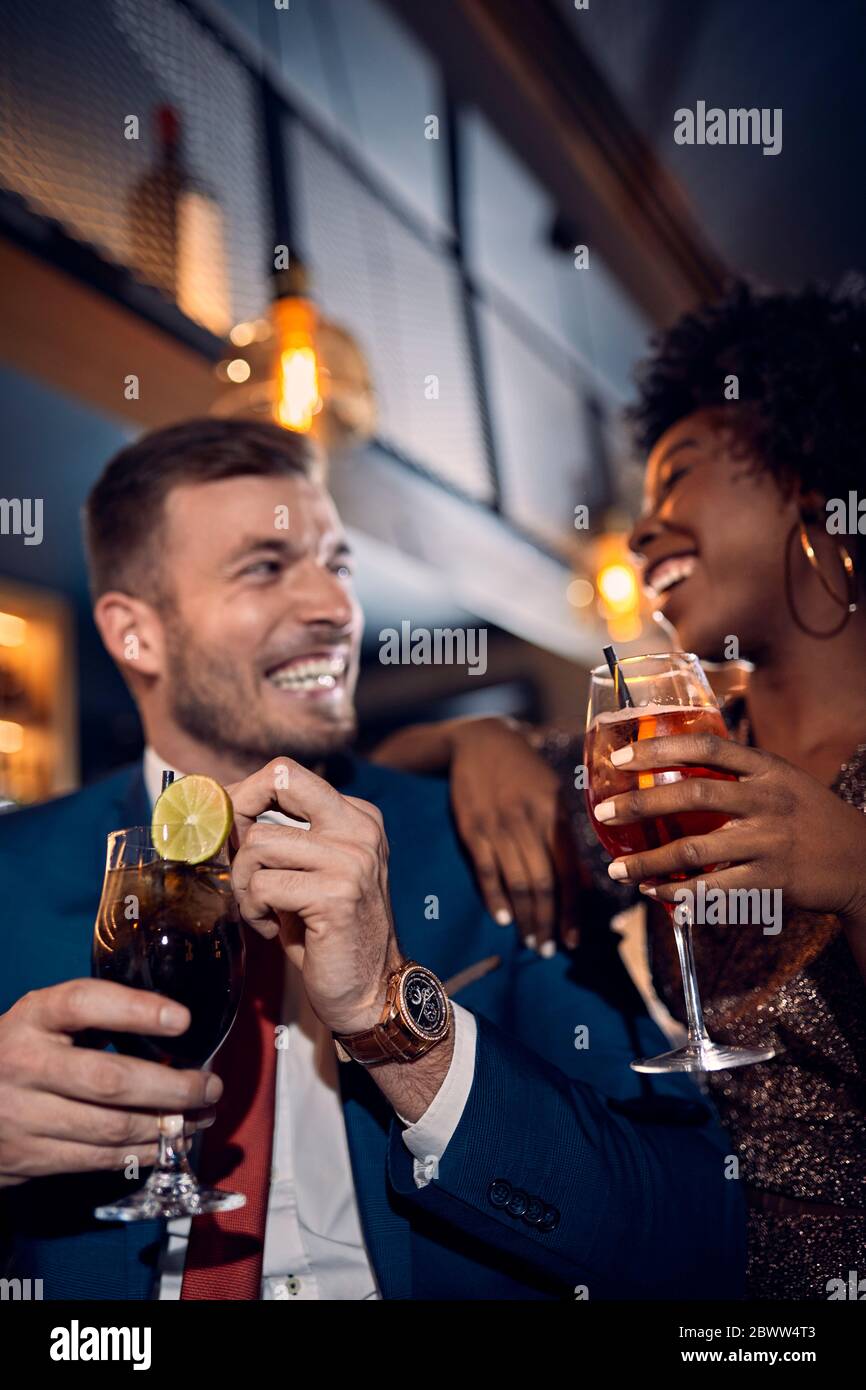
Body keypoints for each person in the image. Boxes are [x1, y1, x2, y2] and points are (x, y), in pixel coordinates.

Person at [0, 418, 744, 1301]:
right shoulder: (14, 871)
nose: (333, 608)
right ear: (136, 634)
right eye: (266, 566)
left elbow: (697, 1232)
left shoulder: (484, 841)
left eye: (338, 565)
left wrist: (402, 1029)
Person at [378, 280, 866, 1300]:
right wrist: (485, 735)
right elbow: (386, 760)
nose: (641, 535)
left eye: (677, 477)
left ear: (805, 480)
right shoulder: (668, 763)